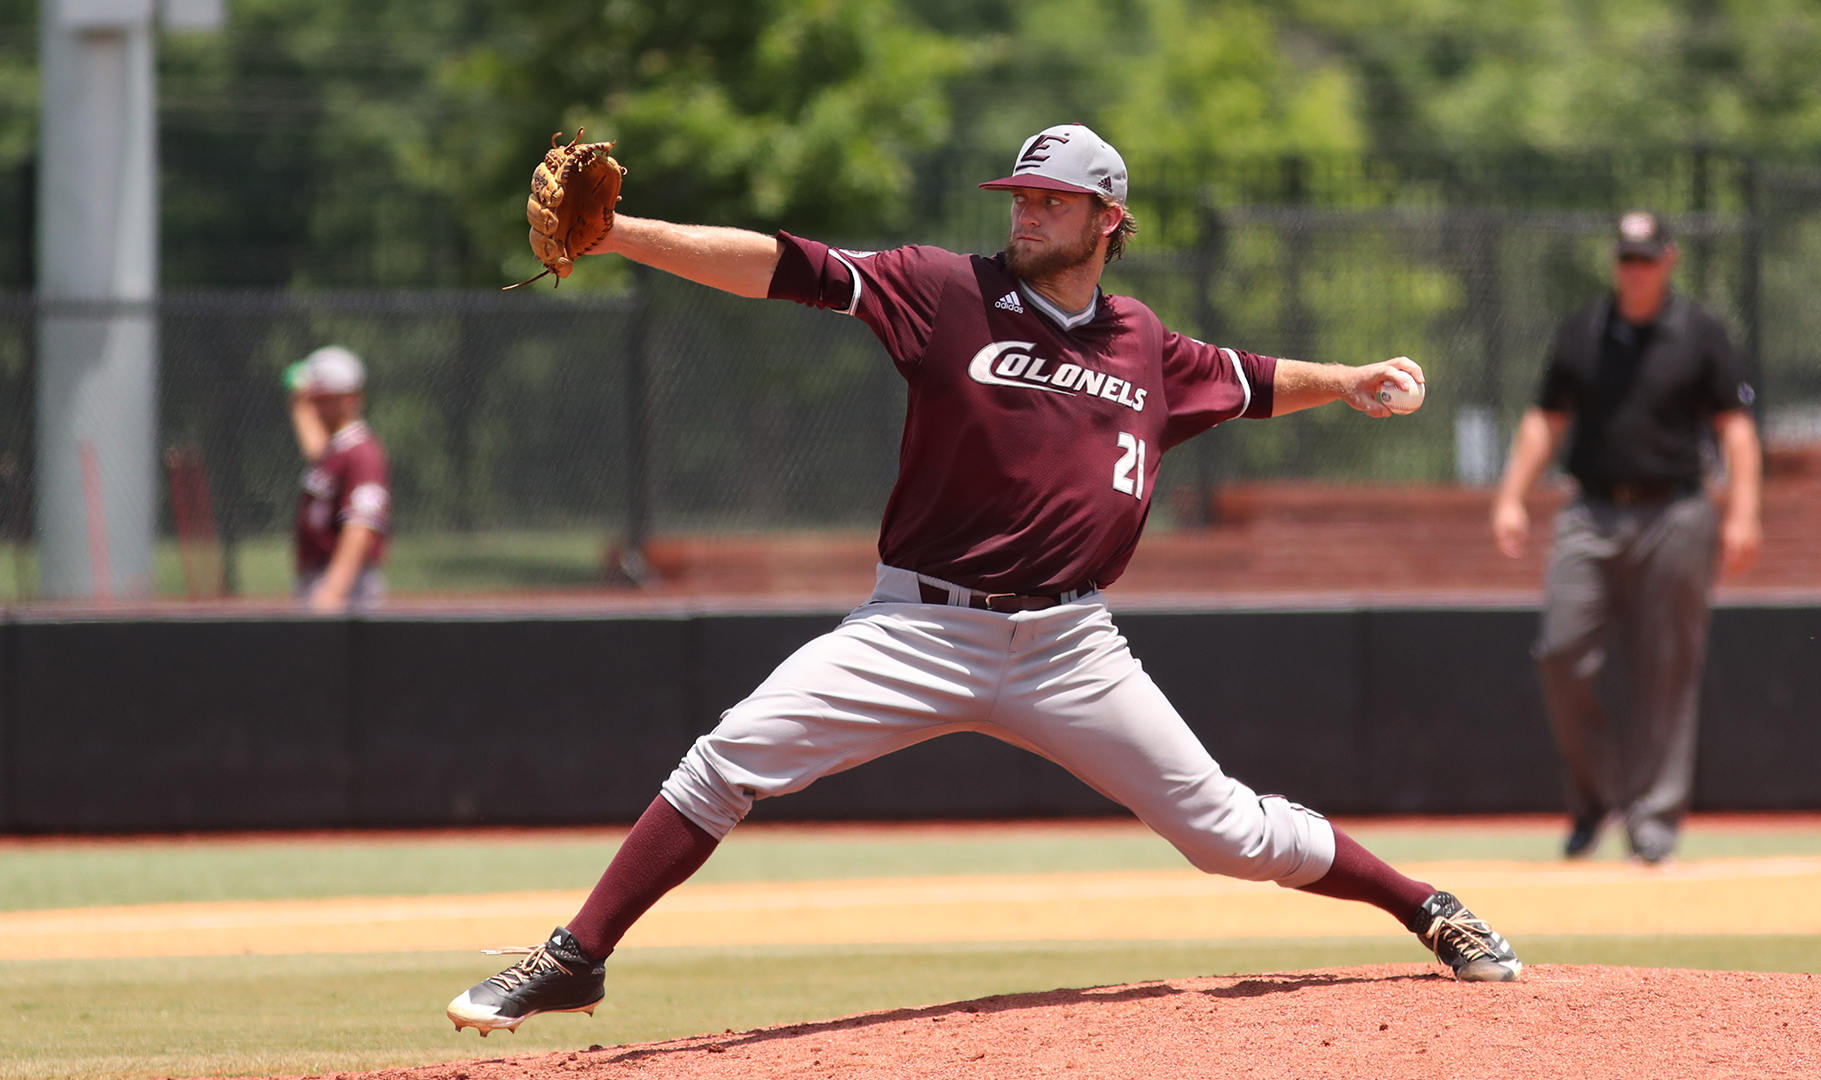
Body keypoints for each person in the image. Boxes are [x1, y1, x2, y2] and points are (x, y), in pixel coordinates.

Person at [448, 123, 1521, 1036]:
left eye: (1052, 200)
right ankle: (578, 955)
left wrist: (1350, 379)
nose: (1027, 214)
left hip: (1070, 647)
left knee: (1229, 834)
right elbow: (785, 266)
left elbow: (1251, 380)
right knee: (727, 759)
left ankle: (1426, 906)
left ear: (1107, 218)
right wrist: (620, 235)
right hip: (917, 625)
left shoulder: (1144, 342)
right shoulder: (944, 290)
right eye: (1020, 196)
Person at [1490, 211, 1762, 865]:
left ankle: (1653, 824)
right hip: (1592, 511)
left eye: (1646, 258)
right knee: (1561, 651)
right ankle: (1594, 804)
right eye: (1626, 259)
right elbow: (1545, 418)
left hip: (1677, 512)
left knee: (1666, 669)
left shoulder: (1699, 332)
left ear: (1668, 260)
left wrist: (1744, 512)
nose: (1634, 270)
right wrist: (1510, 496)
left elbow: (1735, 428)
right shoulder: (1584, 329)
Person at [287, 345, 391, 613]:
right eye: (312, 400)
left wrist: (330, 595)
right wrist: (298, 404)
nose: (314, 408)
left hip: (347, 587)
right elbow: (314, 448)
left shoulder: (362, 454)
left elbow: (360, 530)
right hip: (322, 577)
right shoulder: (334, 450)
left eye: (324, 400)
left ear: (350, 399)